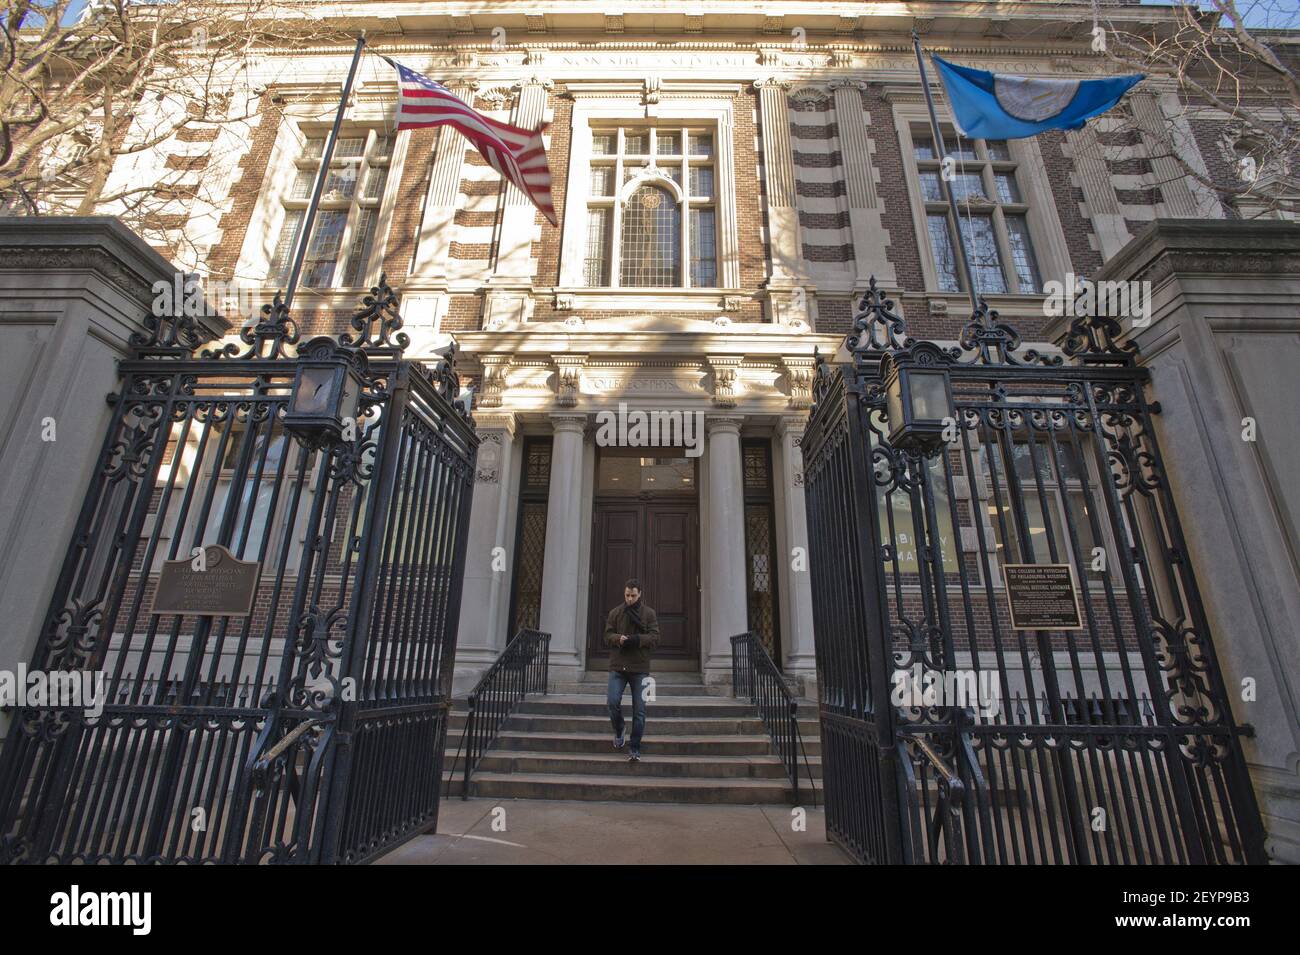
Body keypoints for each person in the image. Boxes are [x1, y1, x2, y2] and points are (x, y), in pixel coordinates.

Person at [603, 578, 660, 762]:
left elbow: (655, 638)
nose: (629, 599)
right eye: (627, 595)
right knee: (612, 702)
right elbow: (607, 635)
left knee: (640, 711)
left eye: (633, 595)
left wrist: (637, 640)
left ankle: (634, 747)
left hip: (640, 668)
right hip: (618, 666)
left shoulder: (649, 614)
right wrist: (618, 638)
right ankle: (619, 728)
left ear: (640, 594)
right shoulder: (615, 613)